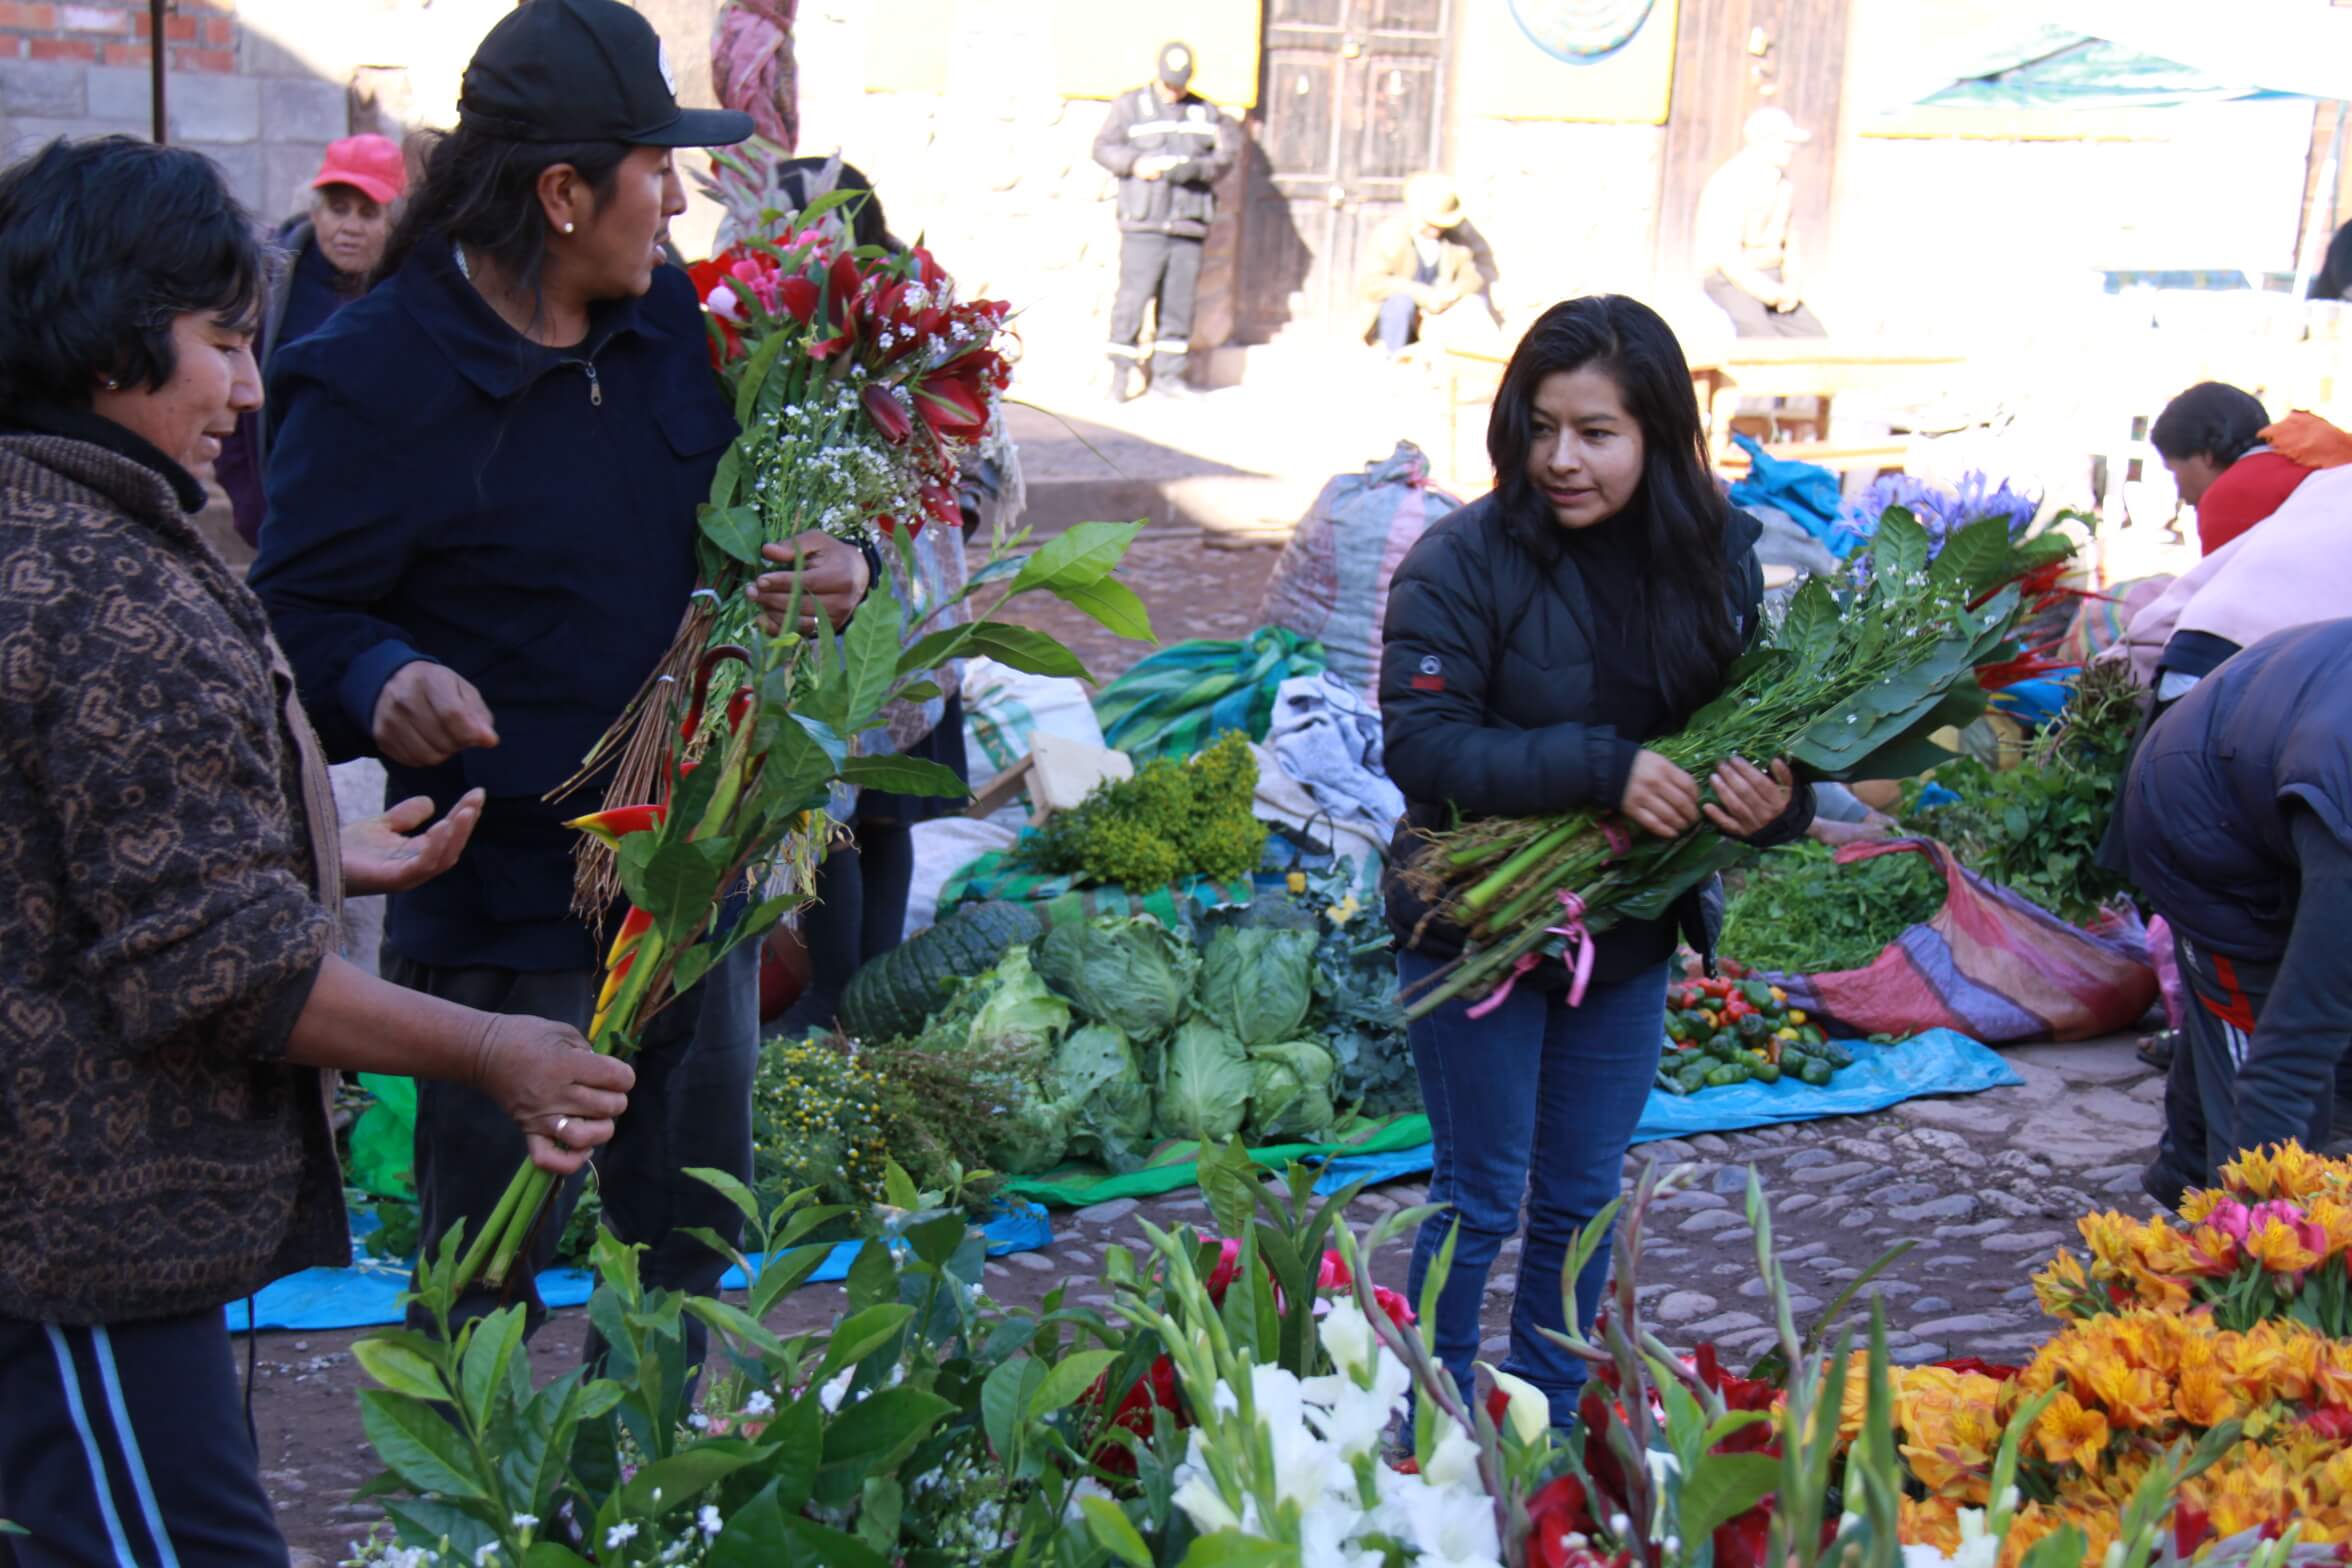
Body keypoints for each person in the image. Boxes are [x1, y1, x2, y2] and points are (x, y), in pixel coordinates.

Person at [0, 134, 632, 1568]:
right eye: (223, 342)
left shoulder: (56, 525)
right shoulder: (105, 585)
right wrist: (496, 1051)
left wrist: (313, 849)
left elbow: (57, 843)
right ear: (107, 345)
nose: (250, 386)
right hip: (80, 1224)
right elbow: (219, 971)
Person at [249, 0, 868, 1356]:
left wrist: (848, 562)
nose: (677, 193)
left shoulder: (675, 332)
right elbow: (292, 606)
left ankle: (633, 1526)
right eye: (655, 165)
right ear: (563, 192)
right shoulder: (369, 375)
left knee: (687, 1261)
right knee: (475, 1290)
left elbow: (785, 499)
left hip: (692, 891)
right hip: (503, 916)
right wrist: (379, 670)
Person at [1378, 295, 1814, 1428]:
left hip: (1623, 933)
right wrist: (1603, 767)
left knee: (1579, 1193)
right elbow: (1419, 742)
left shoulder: (1715, 559)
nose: (1561, 458)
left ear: (1660, 435)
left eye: (1597, 432)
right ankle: (1430, 1417)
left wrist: (1773, 803)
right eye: (1541, 426)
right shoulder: (1461, 557)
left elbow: (1756, 734)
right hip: (1473, 921)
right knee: (1478, 1195)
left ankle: (1549, 1418)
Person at [2123, 619, 2352, 1204]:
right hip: (2198, 814)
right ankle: (2240, 1250)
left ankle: (2185, 1170)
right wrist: (2279, 1252)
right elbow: (2292, 1055)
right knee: (2262, 1033)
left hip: (2264, 740)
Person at [213, 133, 410, 550]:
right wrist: (253, 509)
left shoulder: (412, 294)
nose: (350, 228)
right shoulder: (267, 282)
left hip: (379, 515)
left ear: (392, 222)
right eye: (338, 210)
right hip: (284, 509)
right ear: (316, 213)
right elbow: (231, 395)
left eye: (368, 213)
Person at [1092, 40, 1240, 400]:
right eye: (1168, 83)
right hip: (1144, 222)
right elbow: (1102, 148)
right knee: (1132, 300)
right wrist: (1134, 164)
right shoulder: (1131, 107)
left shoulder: (1205, 113)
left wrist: (1196, 169)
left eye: (1180, 84)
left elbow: (1226, 155)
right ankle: (1120, 377)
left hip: (1187, 223)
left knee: (1179, 304)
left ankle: (1167, 378)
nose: (1174, 91)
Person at [1694, 107, 1824, 338]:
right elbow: (1727, 257)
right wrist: (1770, 293)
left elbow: (1792, 243)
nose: (1791, 149)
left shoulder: (1784, 184)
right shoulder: (1731, 182)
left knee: (1815, 338)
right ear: (1761, 141)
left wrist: (1792, 286)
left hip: (1771, 276)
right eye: (1784, 142)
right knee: (1759, 339)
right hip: (1727, 279)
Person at [2150, 382, 2311, 557]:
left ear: (2206, 455)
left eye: (2174, 471)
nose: (2181, 494)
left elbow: (2231, 583)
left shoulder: (2229, 497)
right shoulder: (2305, 465)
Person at [1357, 172, 1500, 358]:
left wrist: (1454, 292)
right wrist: (1422, 294)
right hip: (1402, 313)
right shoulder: (1390, 235)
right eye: (1430, 223)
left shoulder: (1456, 238)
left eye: (1440, 225)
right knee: (1400, 304)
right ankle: (1393, 358)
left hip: (1441, 313)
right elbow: (1372, 283)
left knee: (1475, 304)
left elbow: (1473, 274)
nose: (1436, 229)